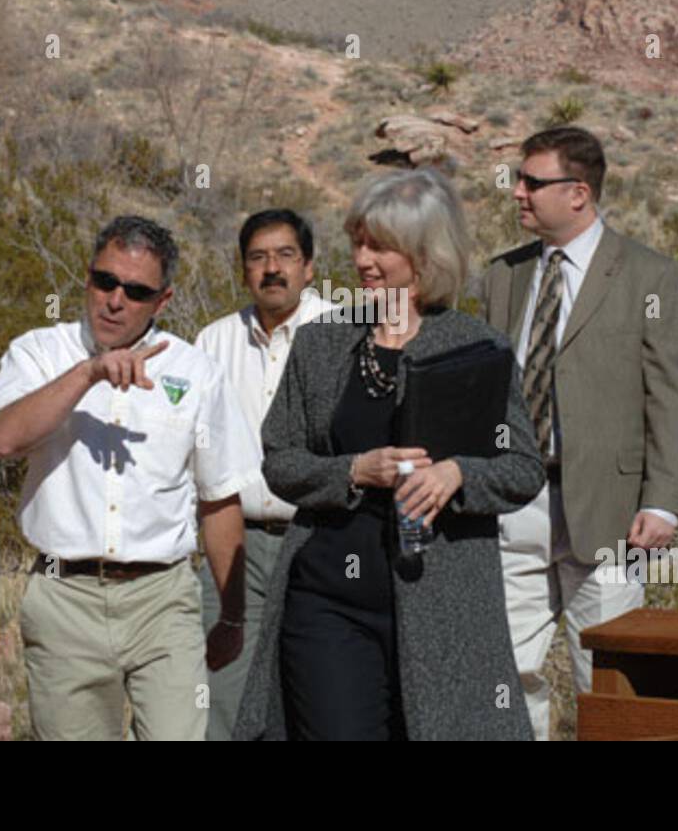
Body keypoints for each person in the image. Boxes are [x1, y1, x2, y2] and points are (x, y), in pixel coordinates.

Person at [233, 168, 545, 741]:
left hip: (442, 608)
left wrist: (458, 474)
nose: (363, 260)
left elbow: (522, 468)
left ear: (425, 256)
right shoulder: (322, 342)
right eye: (358, 242)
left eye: (380, 246)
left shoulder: (479, 349)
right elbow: (280, 459)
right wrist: (352, 470)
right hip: (329, 599)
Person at [0, 216, 259, 740]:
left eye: (135, 291)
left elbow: (219, 497)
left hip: (162, 598)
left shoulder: (196, 373)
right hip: (64, 595)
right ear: (87, 278)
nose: (115, 300)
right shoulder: (40, 352)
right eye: (105, 281)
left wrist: (232, 615)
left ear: (163, 299)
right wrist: (87, 374)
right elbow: (5, 439)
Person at [480, 126, 678, 740]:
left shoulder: (647, 275)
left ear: (578, 193)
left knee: (602, 674)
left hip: (610, 509)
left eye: (532, 182)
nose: (517, 192)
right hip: (514, 503)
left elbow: (673, 394)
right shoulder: (504, 275)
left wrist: (662, 497)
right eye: (518, 180)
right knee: (507, 668)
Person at [194, 209, 335, 740]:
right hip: (234, 544)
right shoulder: (213, 344)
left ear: (310, 267)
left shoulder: (342, 332)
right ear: (242, 269)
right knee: (221, 697)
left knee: (310, 694)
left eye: (285, 256)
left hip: (317, 540)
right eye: (257, 257)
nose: (271, 269)